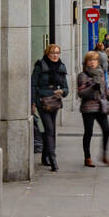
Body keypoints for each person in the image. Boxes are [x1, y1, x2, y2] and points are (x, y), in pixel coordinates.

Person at [30, 43, 68, 171]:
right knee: (50, 129)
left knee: (50, 130)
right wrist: (33, 102)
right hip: (42, 100)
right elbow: (33, 85)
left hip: (55, 101)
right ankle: (52, 158)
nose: (55, 55)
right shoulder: (40, 65)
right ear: (47, 53)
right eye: (53, 52)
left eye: (57, 52)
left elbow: (66, 88)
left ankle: (45, 155)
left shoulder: (61, 67)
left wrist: (62, 91)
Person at [77, 50, 109, 168]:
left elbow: (105, 89)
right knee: (88, 132)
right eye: (90, 60)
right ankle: (87, 157)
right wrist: (93, 87)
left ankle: (104, 155)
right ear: (86, 62)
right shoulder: (83, 75)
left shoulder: (101, 73)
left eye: (95, 60)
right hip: (88, 108)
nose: (93, 62)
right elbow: (81, 93)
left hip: (100, 106)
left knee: (107, 130)